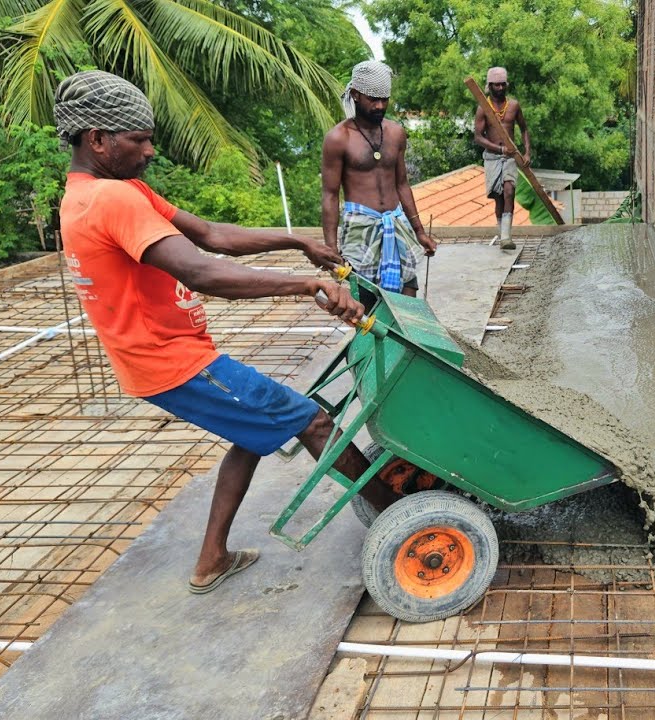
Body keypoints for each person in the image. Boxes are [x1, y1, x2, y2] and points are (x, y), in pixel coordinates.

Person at [53, 70, 400, 596]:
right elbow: (202, 272)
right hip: (174, 365)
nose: (150, 150)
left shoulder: (104, 193)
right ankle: (400, 516)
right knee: (312, 422)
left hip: (163, 360)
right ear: (97, 140)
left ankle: (211, 558)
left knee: (251, 432)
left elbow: (214, 236)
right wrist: (307, 284)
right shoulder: (111, 201)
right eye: (138, 139)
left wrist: (294, 241)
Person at [322, 60, 436, 307]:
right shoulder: (338, 138)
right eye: (373, 99)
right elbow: (330, 195)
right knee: (364, 300)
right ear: (355, 94)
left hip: (396, 224)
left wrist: (420, 233)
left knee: (408, 292)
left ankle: (405, 345)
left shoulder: (395, 133)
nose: (380, 105)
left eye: (384, 99)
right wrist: (330, 249)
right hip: (361, 227)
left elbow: (402, 184)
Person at [473, 66, 530, 251]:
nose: (499, 88)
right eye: (495, 85)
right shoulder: (483, 108)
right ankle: (502, 234)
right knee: (498, 197)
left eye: (502, 85)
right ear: (489, 86)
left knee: (509, 190)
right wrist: (499, 149)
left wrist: (527, 152)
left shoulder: (513, 106)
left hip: (511, 157)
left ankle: (506, 237)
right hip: (492, 158)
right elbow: (478, 137)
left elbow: (524, 129)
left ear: (507, 85)